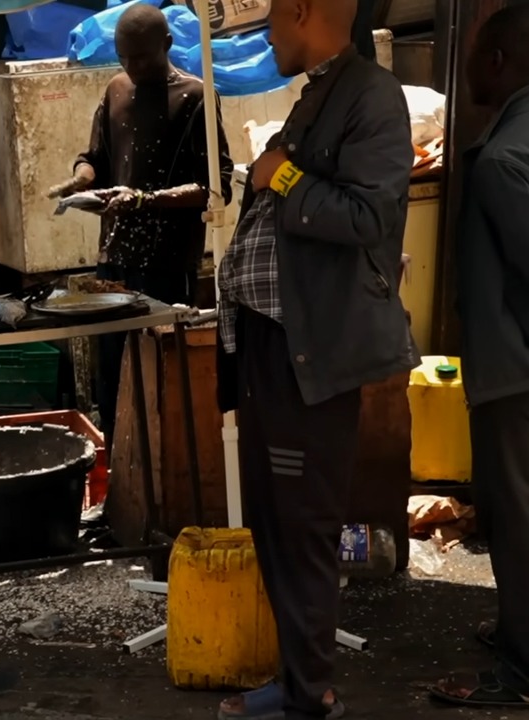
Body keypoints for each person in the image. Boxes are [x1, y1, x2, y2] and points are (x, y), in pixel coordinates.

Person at [213, 0, 417, 717]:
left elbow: (371, 217)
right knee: (275, 518)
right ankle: (296, 680)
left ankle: (312, 693)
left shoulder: (371, 95)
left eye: (271, 21)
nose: (265, 36)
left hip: (312, 353)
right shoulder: (322, 92)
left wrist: (284, 178)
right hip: (270, 345)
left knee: (304, 523)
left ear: (302, 11)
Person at [49, 3, 232, 443]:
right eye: (124, 57)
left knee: (163, 380)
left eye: (142, 57)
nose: (132, 67)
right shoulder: (115, 89)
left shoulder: (195, 97)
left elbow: (213, 185)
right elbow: (95, 159)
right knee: (113, 380)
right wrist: (79, 181)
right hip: (114, 264)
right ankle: (118, 477)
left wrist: (145, 200)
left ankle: (165, 484)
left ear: (167, 46)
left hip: (167, 267)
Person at [431, 4, 529, 708]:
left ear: (497, 60)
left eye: (469, 54)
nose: (462, 69)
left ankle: (522, 669)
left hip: (513, 373)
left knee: (517, 521)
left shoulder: (502, 159)